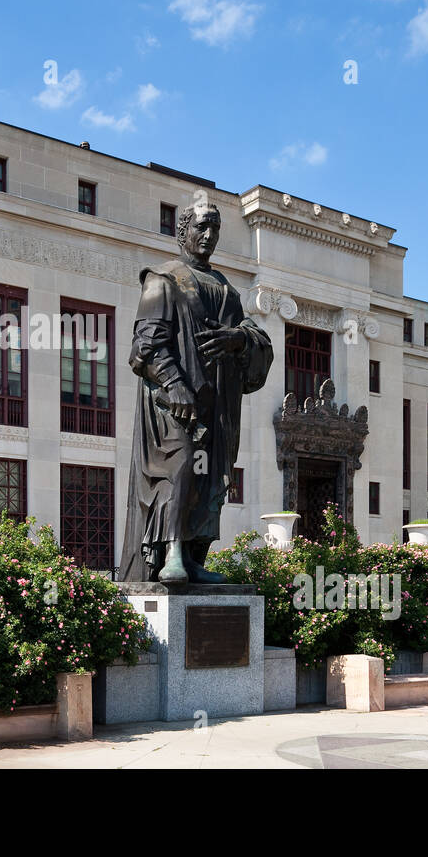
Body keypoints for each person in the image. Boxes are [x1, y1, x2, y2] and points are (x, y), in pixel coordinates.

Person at [119, 202, 273, 584]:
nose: (209, 236)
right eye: (202, 227)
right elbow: (146, 347)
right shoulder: (163, 278)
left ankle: (192, 557)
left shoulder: (226, 289)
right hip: (172, 402)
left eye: (216, 229)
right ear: (183, 230)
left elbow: (259, 340)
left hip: (218, 405)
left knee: (211, 474)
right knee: (181, 464)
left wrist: (239, 338)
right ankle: (170, 552)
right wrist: (174, 385)